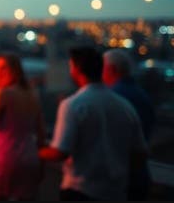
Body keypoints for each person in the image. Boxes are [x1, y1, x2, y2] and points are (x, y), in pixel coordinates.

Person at [40, 47, 147, 201]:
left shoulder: (73, 105)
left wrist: (36, 150)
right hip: (116, 192)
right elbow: (140, 154)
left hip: (80, 190)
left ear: (76, 70)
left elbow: (60, 152)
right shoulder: (125, 105)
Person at [0, 54, 44, 201]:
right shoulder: (32, 95)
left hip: (5, 159)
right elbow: (41, 134)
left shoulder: (3, 94)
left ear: (14, 70)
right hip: (30, 159)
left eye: (3, 68)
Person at [103, 48, 156, 200]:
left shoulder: (113, 99)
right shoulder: (142, 95)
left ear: (110, 69)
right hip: (140, 175)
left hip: (119, 179)